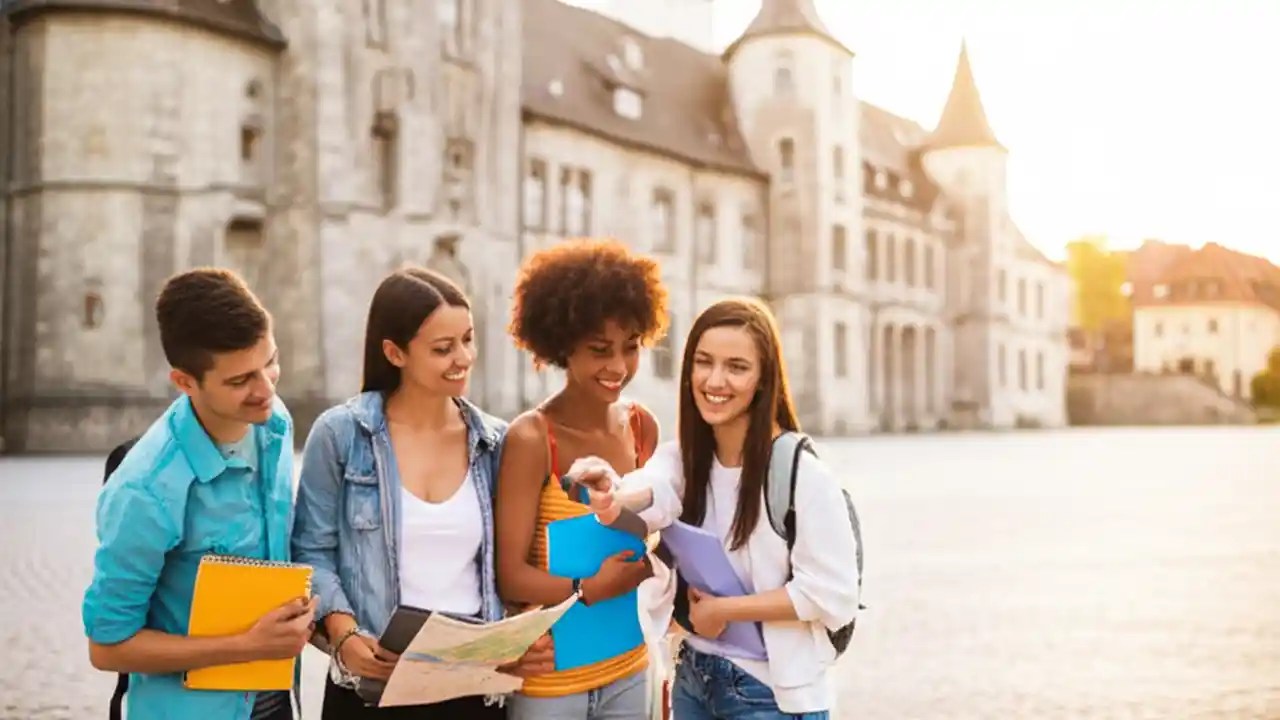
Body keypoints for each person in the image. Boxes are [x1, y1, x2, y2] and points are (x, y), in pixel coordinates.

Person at [569, 298, 860, 720]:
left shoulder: (802, 474)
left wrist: (725, 611)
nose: (715, 380)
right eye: (703, 362)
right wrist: (610, 496)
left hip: (770, 695)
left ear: (763, 379)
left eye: (737, 367)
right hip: (694, 679)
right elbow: (651, 494)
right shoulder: (683, 460)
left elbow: (833, 594)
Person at [291, 266, 554, 719]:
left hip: (474, 693)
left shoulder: (496, 443)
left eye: (468, 340)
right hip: (373, 689)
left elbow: (517, 561)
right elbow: (311, 550)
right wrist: (344, 635)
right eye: (442, 348)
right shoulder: (341, 435)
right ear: (394, 353)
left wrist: (521, 634)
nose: (464, 358)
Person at [83, 268, 312, 720]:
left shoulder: (274, 423)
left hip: (277, 700)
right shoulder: (145, 490)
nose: (267, 389)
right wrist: (247, 646)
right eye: (240, 379)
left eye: (271, 361)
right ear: (185, 382)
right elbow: (107, 647)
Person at [495, 239, 675, 720]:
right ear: (562, 346)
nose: (618, 366)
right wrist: (589, 587)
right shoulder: (533, 438)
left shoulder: (643, 427)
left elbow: (657, 536)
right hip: (552, 684)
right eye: (599, 350)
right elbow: (510, 576)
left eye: (631, 347)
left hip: (630, 668)